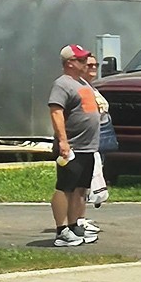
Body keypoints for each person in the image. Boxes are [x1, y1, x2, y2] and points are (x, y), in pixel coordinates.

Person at [48, 44, 101, 247]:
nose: (85, 63)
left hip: (88, 147)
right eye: (81, 60)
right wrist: (63, 141)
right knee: (65, 187)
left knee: (81, 188)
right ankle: (62, 230)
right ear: (70, 63)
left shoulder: (82, 83)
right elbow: (56, 112)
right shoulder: (62, 85)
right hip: (72, 146)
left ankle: (74, 225)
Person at [83, 53, 110, 220]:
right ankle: (77, 220)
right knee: (83, 183)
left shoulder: (92, 87)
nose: (93, 68)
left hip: (99, 137)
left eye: (96, 65)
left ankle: (81, 218)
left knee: (93, 177)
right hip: (85, 141)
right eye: (89, 65)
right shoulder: (80, 88)